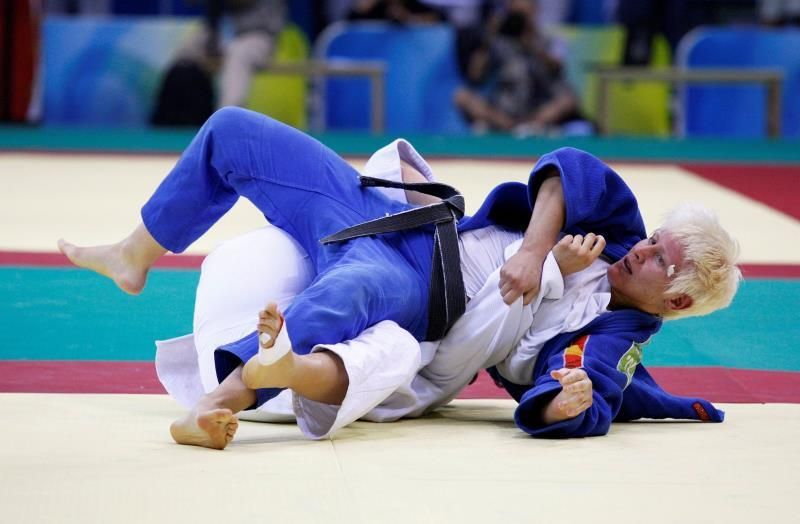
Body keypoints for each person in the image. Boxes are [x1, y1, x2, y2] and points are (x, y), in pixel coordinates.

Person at [59, 107, 740, 449]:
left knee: (351, 290)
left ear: (675, 298)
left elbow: (579, 385)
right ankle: (135, 253)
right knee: (235, 130)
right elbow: (569, 166)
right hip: (393, 218)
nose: (640, 249)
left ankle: (223, 400)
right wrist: (536, 248)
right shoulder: (617, 235)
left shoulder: (606, 332)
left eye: (658, 259)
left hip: (423, 292)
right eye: (652, 238)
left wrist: (568, 402)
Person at [453, 0, 584, 135]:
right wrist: (489, 37)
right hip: (504, 110)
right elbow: (475, 75)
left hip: (539, 107)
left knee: (568, 100)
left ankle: (530, 125)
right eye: (517, 13)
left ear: (535, 11)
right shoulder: (499, 40)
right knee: (461, 96)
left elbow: (557, 68)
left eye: (525, 13)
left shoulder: (550, 38)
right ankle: (508, 127)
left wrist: (532, 43)